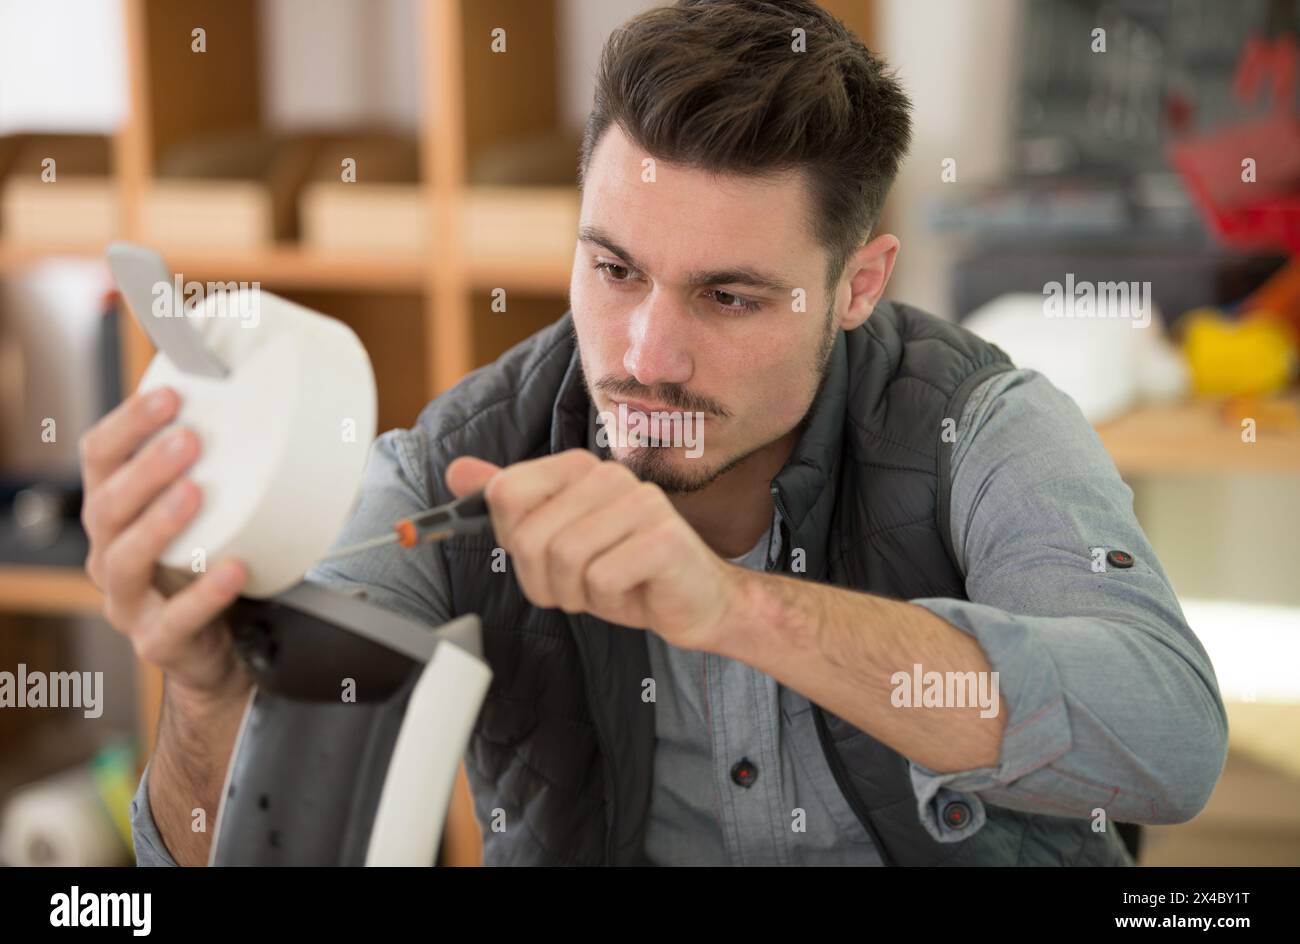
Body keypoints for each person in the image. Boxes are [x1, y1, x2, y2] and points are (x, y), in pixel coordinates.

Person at [83, 0, 1227, 867]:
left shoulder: (979, 425)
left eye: (728, 297)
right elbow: (257, 840)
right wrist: (205, 689)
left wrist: (738, 609)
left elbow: (1166, 737)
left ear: (858, 284)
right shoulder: (452, 462)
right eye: (613, 267)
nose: (643, 353)